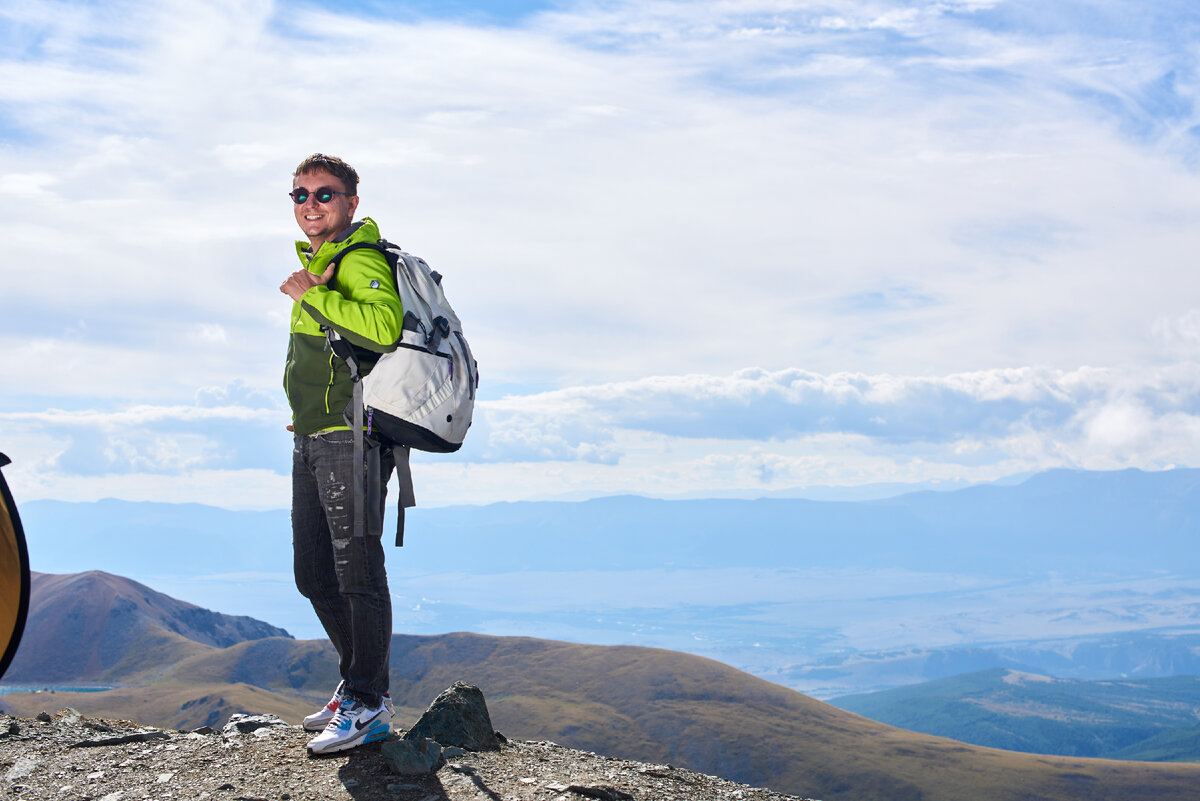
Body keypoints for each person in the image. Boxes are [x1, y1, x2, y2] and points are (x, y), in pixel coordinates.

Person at [280, 153, 402, 755]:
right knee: (314, 574)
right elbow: (330, 359)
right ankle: (355, 684)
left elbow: (381, 328)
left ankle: (368, 703)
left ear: (352, 202)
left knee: (357, 572)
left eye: (324, 195)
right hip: (313, 433)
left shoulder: (360, 258)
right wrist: (304, 413)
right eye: (299, 195)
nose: (310, 206)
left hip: (352, 438)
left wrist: (314, 296)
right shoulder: (322, 263)